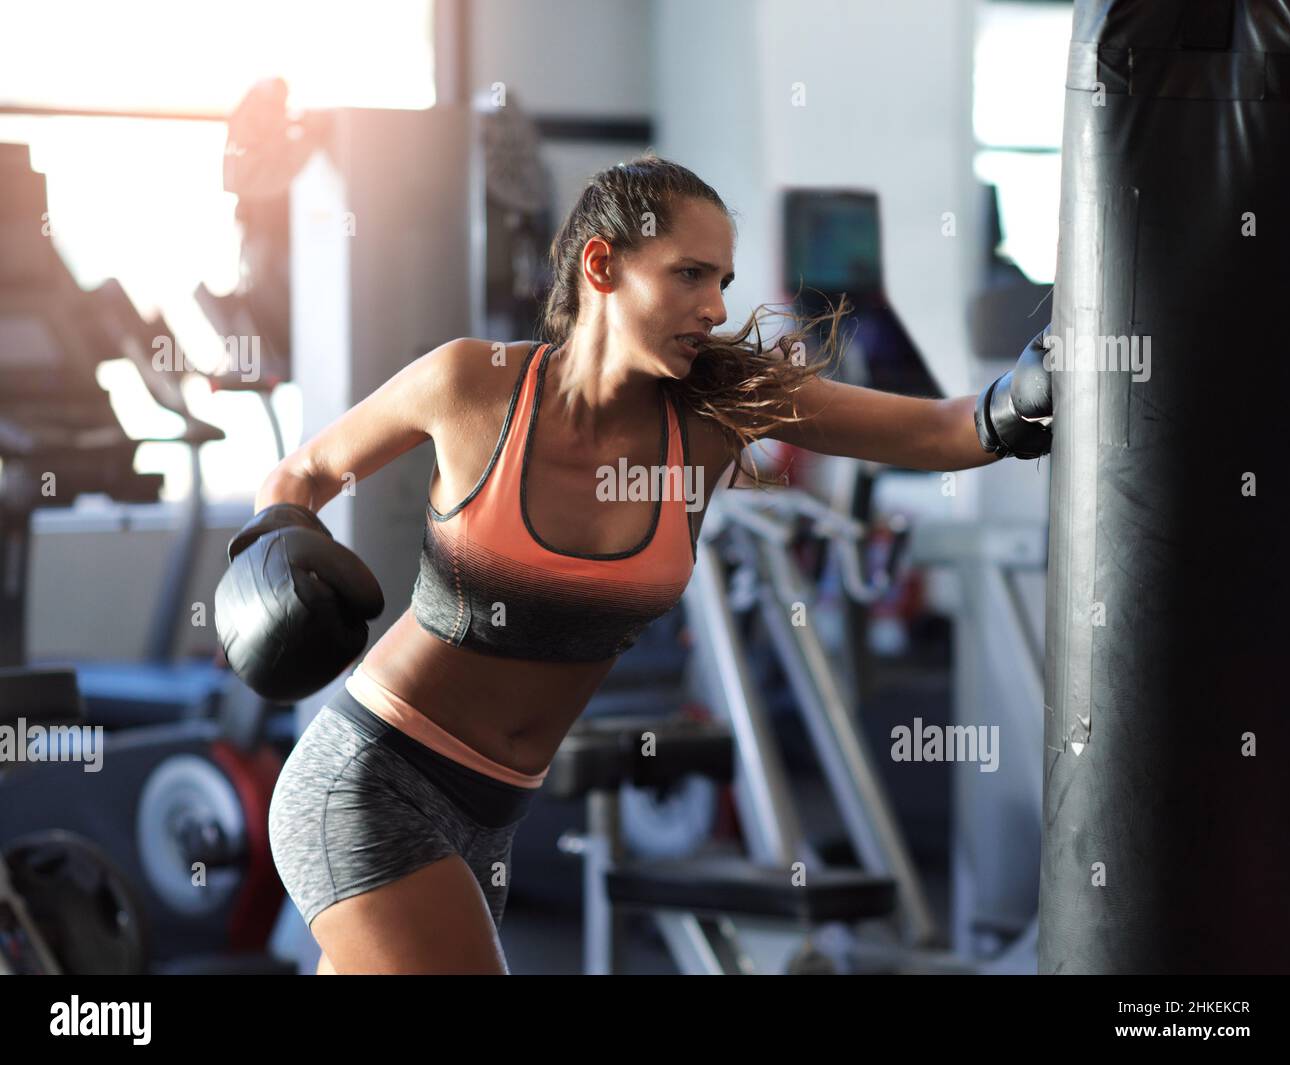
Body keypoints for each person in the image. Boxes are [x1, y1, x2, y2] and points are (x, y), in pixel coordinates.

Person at [237, 154, 1050, 975]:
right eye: (690, 274)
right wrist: (276, 550)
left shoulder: (712, 418)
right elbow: (302, 473)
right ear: (602, 266)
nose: (716, 306)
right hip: (371, 779)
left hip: (494, 816)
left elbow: (939, 429)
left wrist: (1025, 395)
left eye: (723, 279)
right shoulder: (472, 387)